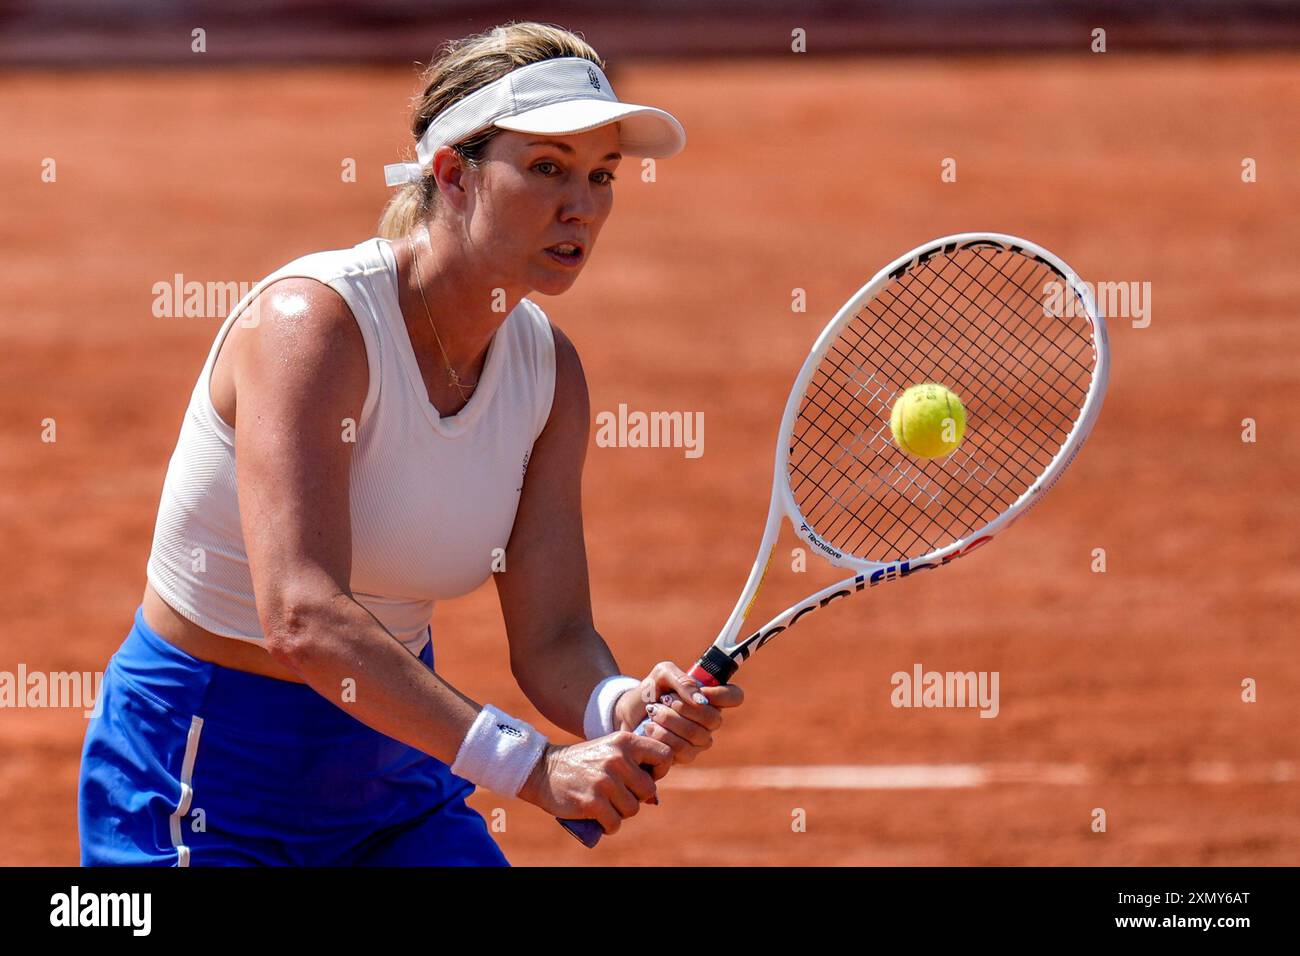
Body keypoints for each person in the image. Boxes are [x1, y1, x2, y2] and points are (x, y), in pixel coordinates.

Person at [78, 21, 744, 867]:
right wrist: (533, 768)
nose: (581, 206)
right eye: (545, 169)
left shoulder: (548, 373)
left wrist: (616, 705)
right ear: (453, 174)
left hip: (394, 767)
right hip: (200, 775)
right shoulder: (313, 327)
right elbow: (301, 615)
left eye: (600, 176)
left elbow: (553, 635)